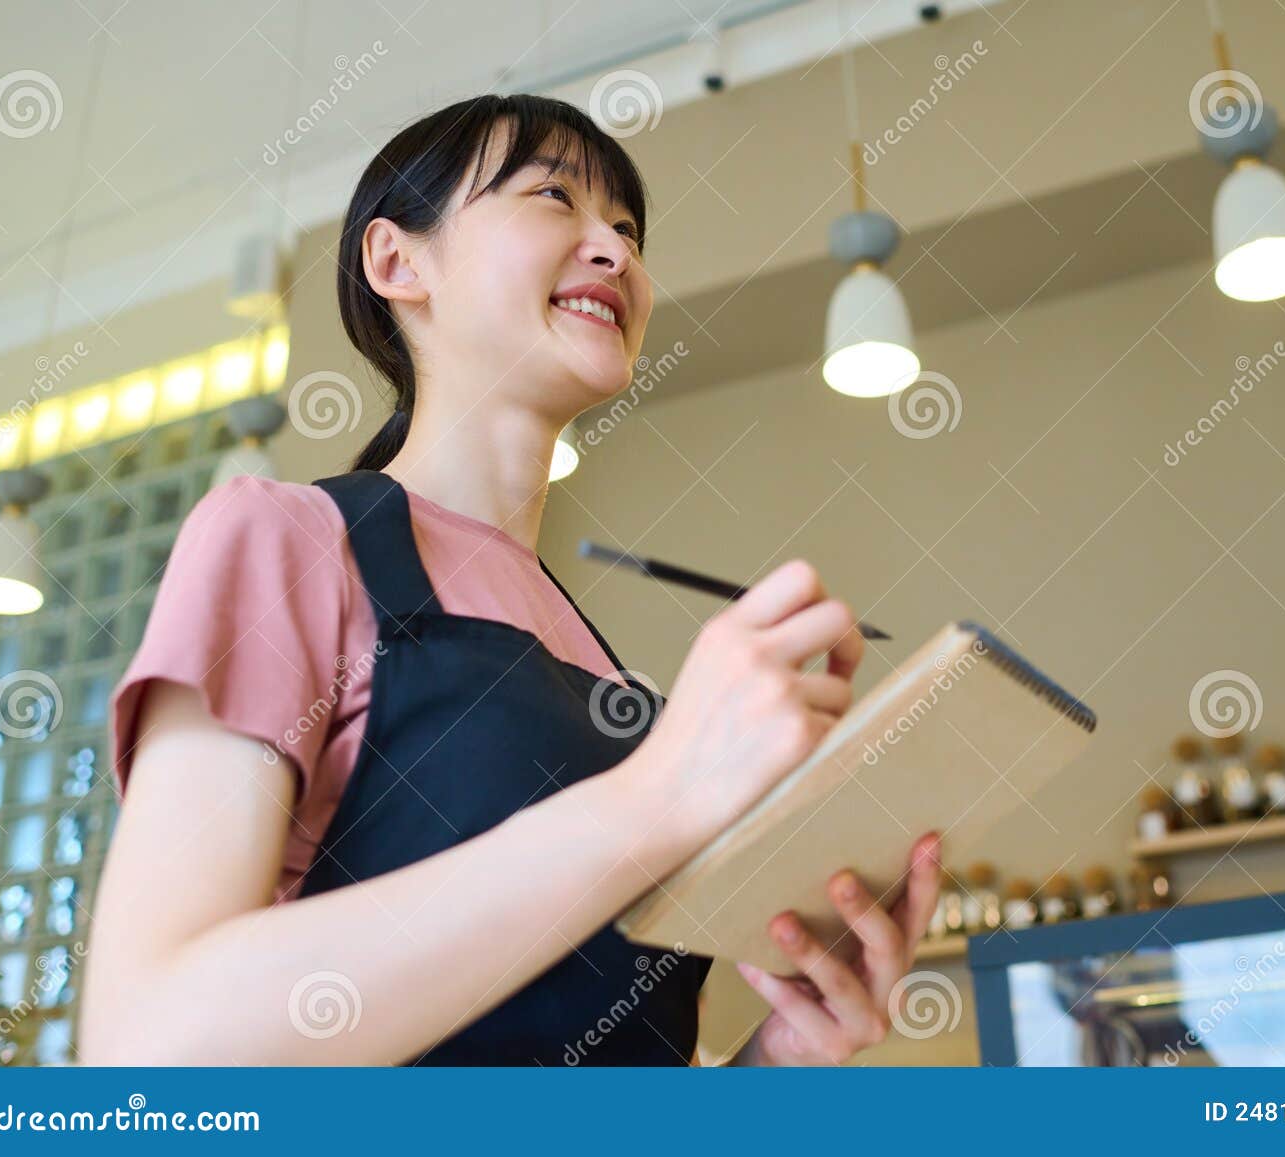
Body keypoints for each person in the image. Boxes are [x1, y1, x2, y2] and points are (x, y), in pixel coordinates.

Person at [80, 93, 941, 1066]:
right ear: (397, 263)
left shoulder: (607, 673)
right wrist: (658, 794)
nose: (614, 251)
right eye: (553, 199)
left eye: (625, 229)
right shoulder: (287, 539)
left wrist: (776, 1061)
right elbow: (151, 1047)